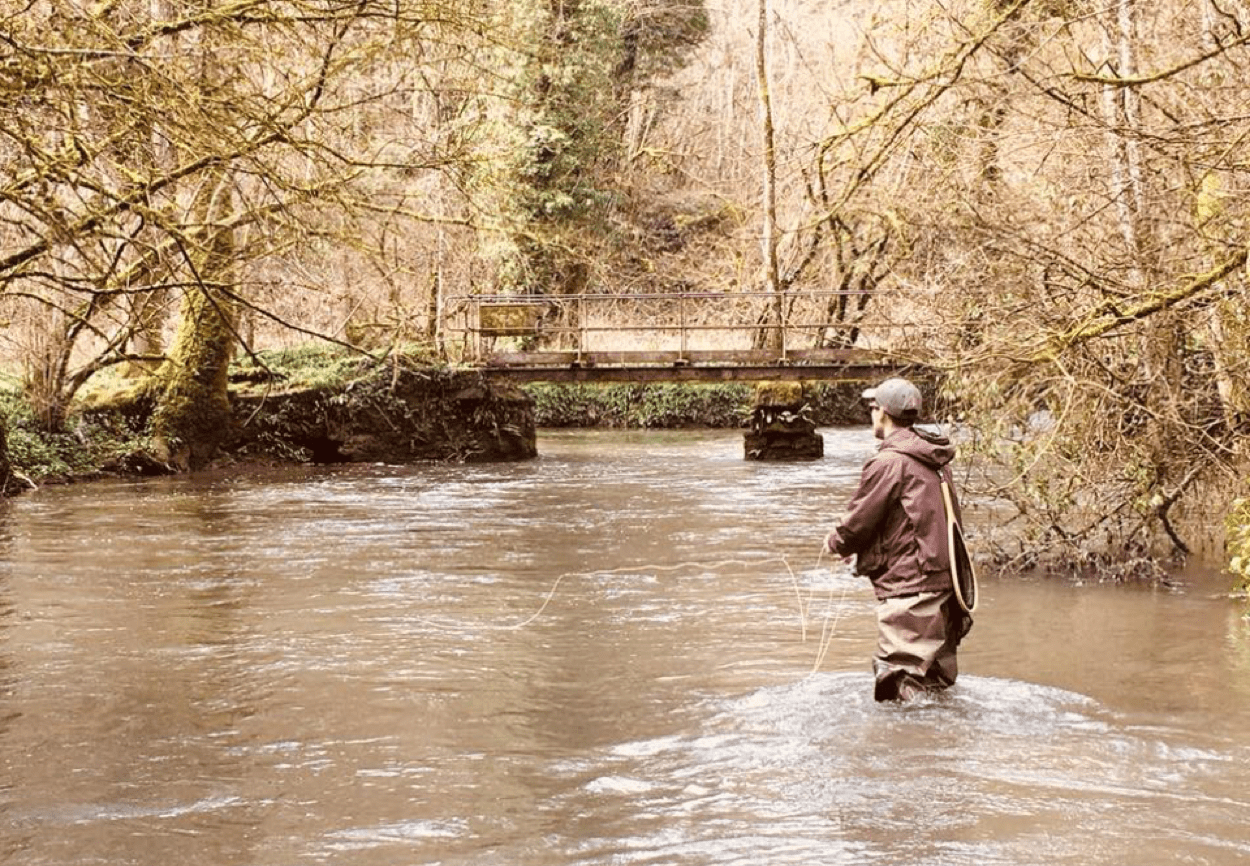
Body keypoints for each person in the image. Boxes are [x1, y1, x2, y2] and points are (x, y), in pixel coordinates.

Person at [823, 377, 972, 702]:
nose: (870, 414)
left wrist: (835, 542)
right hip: (946, 586)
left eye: (872, 408)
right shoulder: (934, 459)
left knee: (901, 682)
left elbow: (859, 521)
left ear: (882, 413)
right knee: (936, 684)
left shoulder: (890, 462)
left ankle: (908, 750)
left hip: (911, 588)